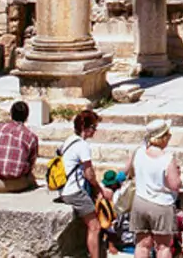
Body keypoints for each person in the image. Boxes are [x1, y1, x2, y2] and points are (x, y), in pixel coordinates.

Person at [124, 119, 183, 258]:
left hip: (140, 201)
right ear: (162, 137)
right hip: (161, 204)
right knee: (163, 247)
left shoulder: (138, 152)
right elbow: (174, 185)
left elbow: (127, 171)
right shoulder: (167, 158)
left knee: (142, 245)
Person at [61, 110, 110, 258]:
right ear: (85, 128)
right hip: (74, 192)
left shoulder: (69, 140)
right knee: (94, 226)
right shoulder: (82, 146)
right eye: (94, 127)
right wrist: (100, 189)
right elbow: (89, 174)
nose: (95, 131)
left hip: (64, 188)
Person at [0, 100, 39, 194]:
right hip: (18, 182)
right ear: (26, 117)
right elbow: (31, 163)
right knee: (31, 179)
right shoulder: (31, 136)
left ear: (11, 114)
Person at [102, 170, 136, 255]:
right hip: (124, 239)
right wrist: (111, 245)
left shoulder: (117, 195)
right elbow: (110, 225)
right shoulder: (114, 199)